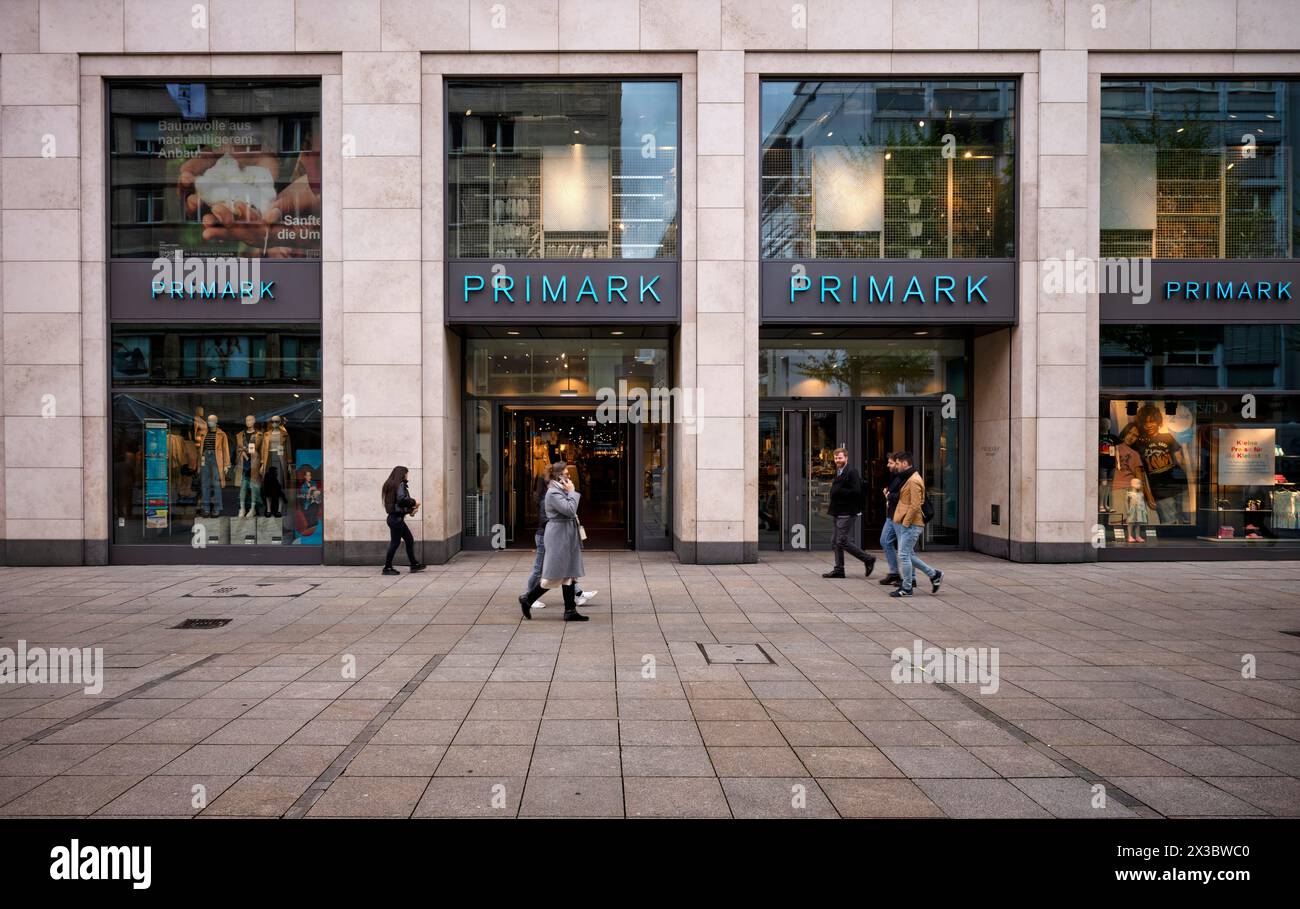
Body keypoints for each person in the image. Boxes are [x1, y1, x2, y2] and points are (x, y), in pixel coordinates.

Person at [518, 462, 589, 622]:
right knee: (554, 575)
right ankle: (528, 599)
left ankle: (570, 611)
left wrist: (569, 492)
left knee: (569, 574)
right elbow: (570, 509)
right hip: (559, 536)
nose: (569, 476)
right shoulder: (553, 493)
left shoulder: (560, 490)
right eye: (566, 474)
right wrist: (572, 492)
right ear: (558, 476)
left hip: (567, 534)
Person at [889, 452, 943, 598]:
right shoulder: (907, 478)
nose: (897, 466)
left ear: (905, 464)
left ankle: (907, 588)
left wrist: (905, 523)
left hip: (911, 524)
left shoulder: (913, 480)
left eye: (898, 463)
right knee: (907, 555)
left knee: (904, 555)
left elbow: (915, 505)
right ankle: (934, 574)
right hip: (906, 522)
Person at [822, 447, 876, 579]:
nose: (837, 460)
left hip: (847, 512)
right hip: (838, 511)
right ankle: (839, 569)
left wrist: (840, 491)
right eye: (835, 458)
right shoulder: (840, 470)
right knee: (835, 541)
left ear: (846, 458)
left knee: (841, 541)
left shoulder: (851, 471)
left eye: (840, 458)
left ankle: (868, 559)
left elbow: (856, 491)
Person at [1134, 404, 1189, 525]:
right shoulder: (1139, 444)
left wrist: (1190, 480)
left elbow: (1181, 460)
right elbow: (1140, 473)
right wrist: (1148, 495)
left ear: (1158, 421)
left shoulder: (1168, 437)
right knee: (1169, 523)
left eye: (1152, 421)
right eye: (1145, 422)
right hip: (1160, 491)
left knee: (1186, 521)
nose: (1148, 425)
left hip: (1180, 486)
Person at [381, 466, 425, 575]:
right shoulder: (399, 485)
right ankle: (387, 568)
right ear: (402, 474)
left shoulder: (390, 485)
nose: (407, 475)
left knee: (409, 539)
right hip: (396, 519)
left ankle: (414, 564)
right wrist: (413, 502)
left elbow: (396, 503)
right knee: (395, 543)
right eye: (406, 473)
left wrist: (409, 510)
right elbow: (401, 500)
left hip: (394, 518)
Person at [878, 452, 905, 587]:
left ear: (898, 463)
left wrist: (889, 495)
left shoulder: (904, 477)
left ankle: (917, 577)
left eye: (890, 463)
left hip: (899, 516)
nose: (888, 465)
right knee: (885, 541)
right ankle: (894, 573)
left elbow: (903, 496)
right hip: (891, 515)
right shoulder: (894, 476)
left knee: (905, 549)